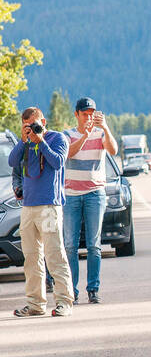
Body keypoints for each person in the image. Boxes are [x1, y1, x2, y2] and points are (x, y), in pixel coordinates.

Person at [7, 107, 74, 317]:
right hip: (28, 206)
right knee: (31, 257)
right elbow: (11, 162)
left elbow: (58, 161)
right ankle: (36, 304)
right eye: (27, 126)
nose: (32, 129)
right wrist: (24, 140)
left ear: (43, 121)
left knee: (54, 254)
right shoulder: (26, 143)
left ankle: (64, 302)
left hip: (49, 206)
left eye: (35, 124)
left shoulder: (58, 138)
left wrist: (40, 141)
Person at [63, 97, 117, 304]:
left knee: (94, 245)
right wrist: (84, 136)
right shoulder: (67, 134)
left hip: (95, 193)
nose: (88, 117)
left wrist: (105, 127)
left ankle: (93, 289)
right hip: (72, 195)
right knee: (70, 245)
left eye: (91, 114)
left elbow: (113, 150)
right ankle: (72, 292)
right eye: (84, 113)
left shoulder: (101, 132)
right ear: (76, 114)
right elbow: (68, 154)